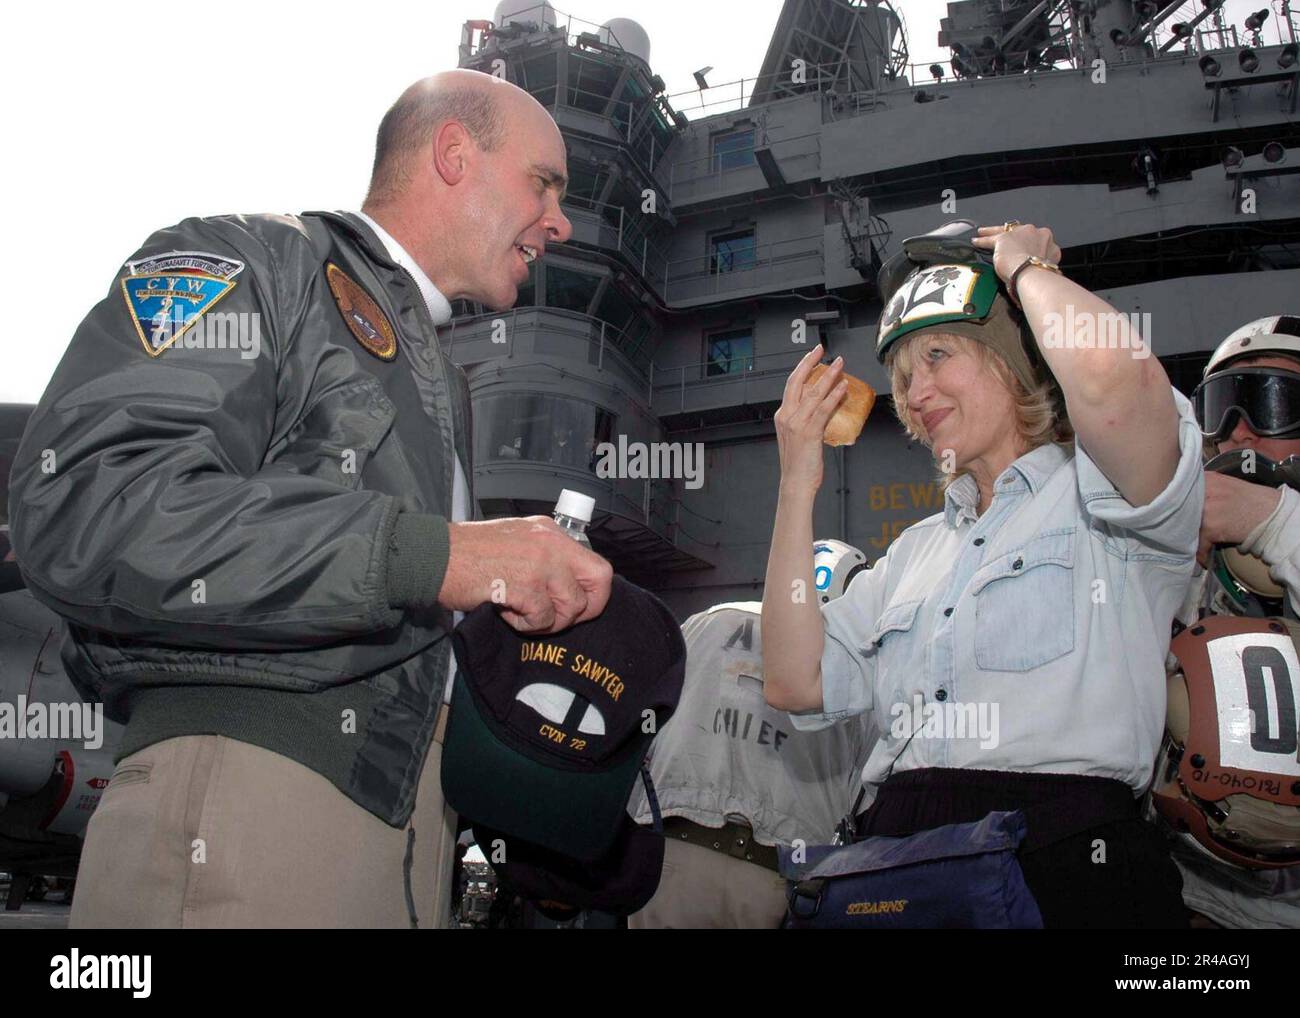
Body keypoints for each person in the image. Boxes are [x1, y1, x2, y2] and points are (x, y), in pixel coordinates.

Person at [8, 69, 613, 928]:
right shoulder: (256, 261)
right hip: (248, 808)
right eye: (544, 183)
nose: (561, 220)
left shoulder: (442, 377)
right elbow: (88, 502)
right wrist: (440, 554)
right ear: (453, 154)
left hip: (406, 835)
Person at [762, 220, 1204, 929]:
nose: (915, 392)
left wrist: (1029, 272)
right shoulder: (912, 554)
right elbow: (792, 678)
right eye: (904, 377)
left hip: (1062, 869)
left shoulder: (1109, 499)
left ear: (1011, 359)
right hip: (897, 873)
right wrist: (795, 484)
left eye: (938, 355)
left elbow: (1116, 382)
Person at [627, 539, 877, 929]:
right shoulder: (855, 669)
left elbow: (640, 731)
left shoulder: (705, 622)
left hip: (670, 857)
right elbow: (868, 798)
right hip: (777, 877)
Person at [1158, 315, 1300, 928]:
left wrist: (1275, 520)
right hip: (1195, 899)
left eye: (1272, 404)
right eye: (1222, 408)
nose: (1238, 432)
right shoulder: (1178, 564)